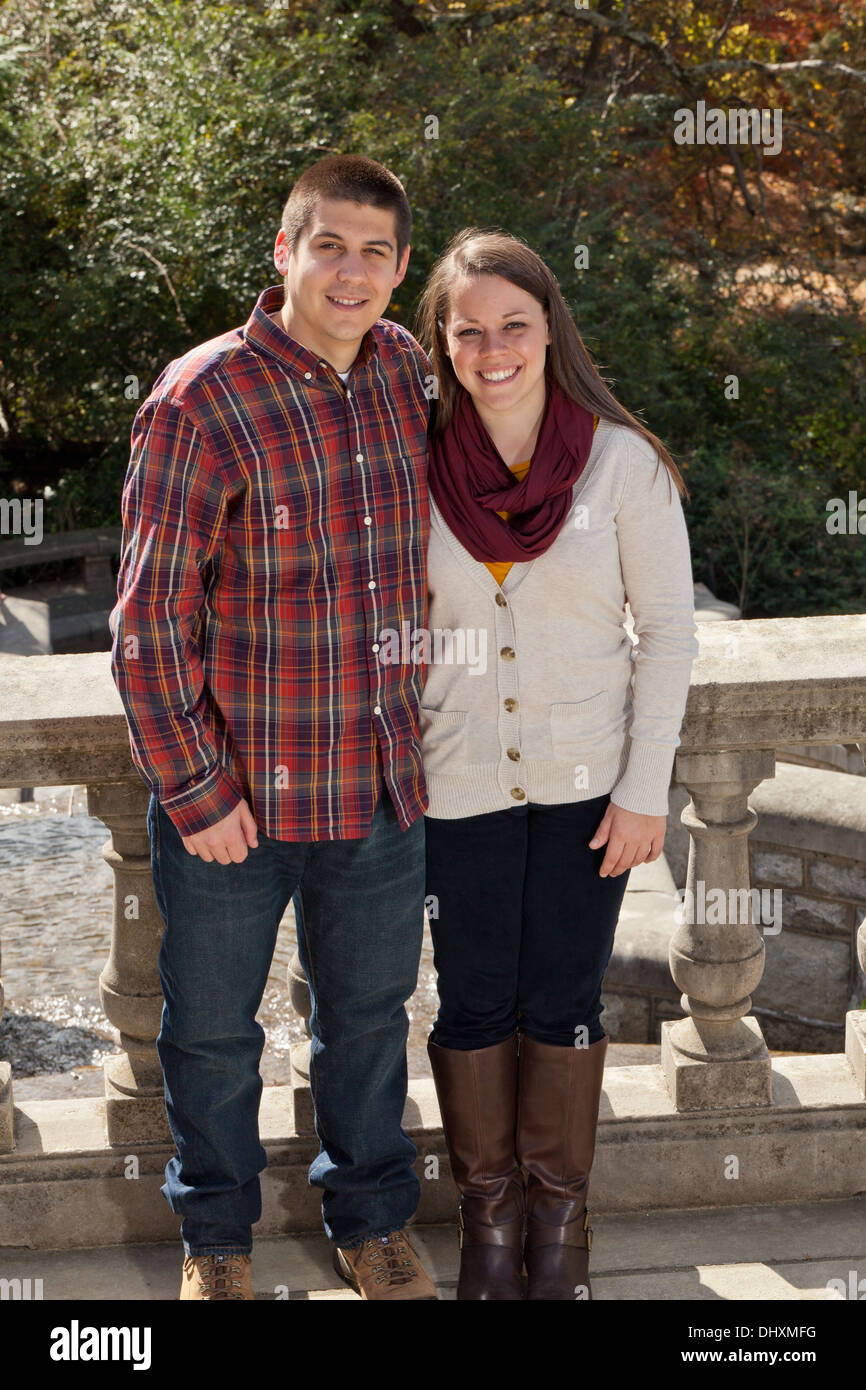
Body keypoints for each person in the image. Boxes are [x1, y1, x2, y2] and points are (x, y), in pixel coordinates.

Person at [109, 155, 439, 1301]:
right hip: (233, 806)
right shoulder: (201, 398)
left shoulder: (404, 370)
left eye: (374, 253)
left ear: (399, 272)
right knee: (209, 1032)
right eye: (328, 246)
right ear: (284, 252)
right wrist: (198, 793)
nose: (350, 272)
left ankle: (373, 1221)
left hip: (380, 786)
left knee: (366, 1019)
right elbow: (147, 627)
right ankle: (217, 1244)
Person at [413, 228, 700, 1300]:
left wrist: (642, 793)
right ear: (442, 343)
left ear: (549, 330)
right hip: (455, 789)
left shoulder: (623, 463)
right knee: (473, 1003)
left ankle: (559, 1236)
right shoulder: (413, 460)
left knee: (567, 1003)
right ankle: (488, 1230)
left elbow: (666, 633)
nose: (493, 349)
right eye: (468, 330)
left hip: (590, 793)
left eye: (513, 325)